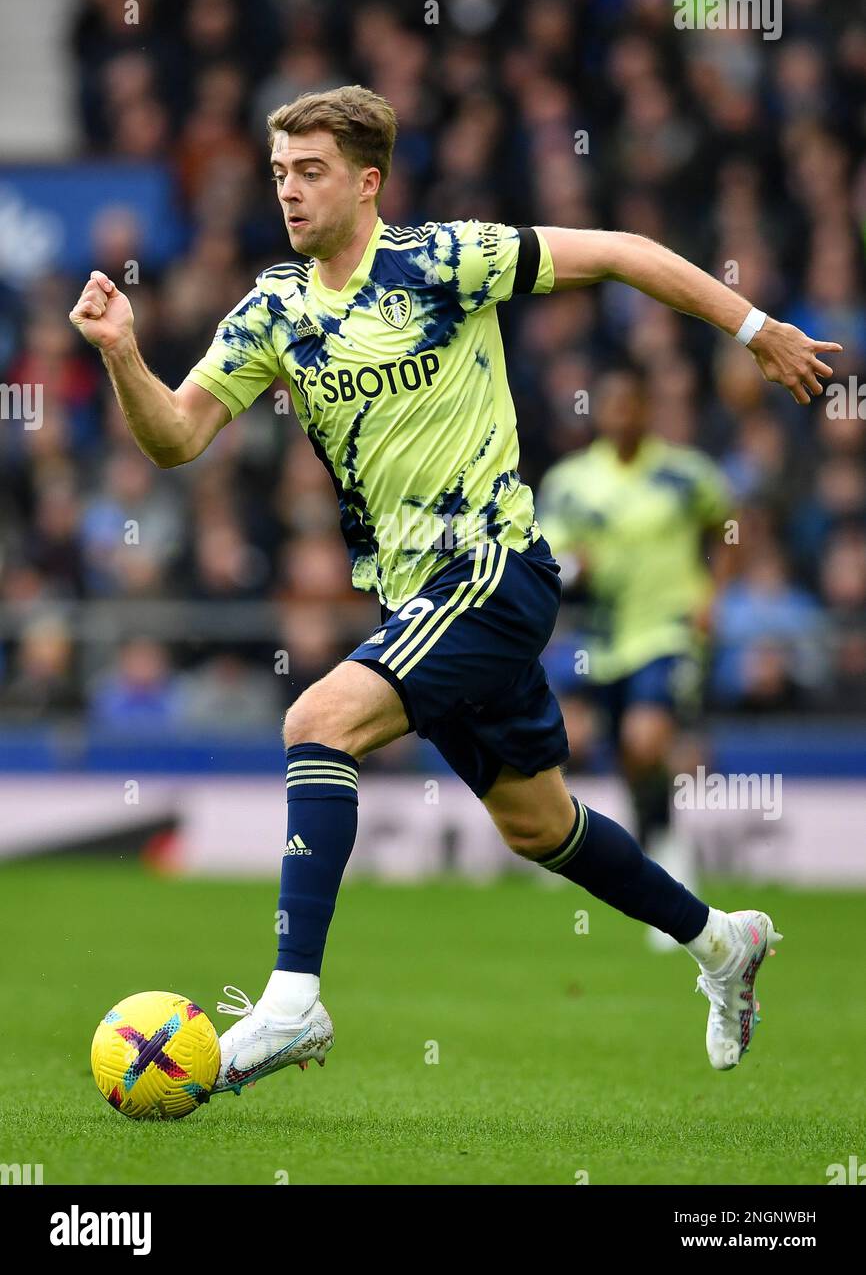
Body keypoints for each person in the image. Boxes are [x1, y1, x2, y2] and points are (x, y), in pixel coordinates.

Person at [70, 85, 839, 1089]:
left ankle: (292, 1002)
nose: (290, 193)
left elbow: (616, 249)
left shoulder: (440, 260)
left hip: (488, 569)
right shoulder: (274, 309)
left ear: (366, 181)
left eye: (310, 172)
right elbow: (174, 437)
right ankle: (719, 942)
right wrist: (124, 353)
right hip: (413, 598)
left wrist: (751, 326)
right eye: (278, 174)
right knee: (537, 826)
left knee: (318, 719)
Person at [537, 360, 733, 950]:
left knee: (646, 740)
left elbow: (728, 524)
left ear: (648, 410)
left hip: (664, 632)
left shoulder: (684, 474)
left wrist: (712, 593)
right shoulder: (571, 482)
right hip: (601, 638)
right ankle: (642, 851)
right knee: (596, 744)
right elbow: (550, 558)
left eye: (632, 404)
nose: (622, 415)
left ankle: (667, 857)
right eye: (612, 404)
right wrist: (576, 568)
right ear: (599, 410)